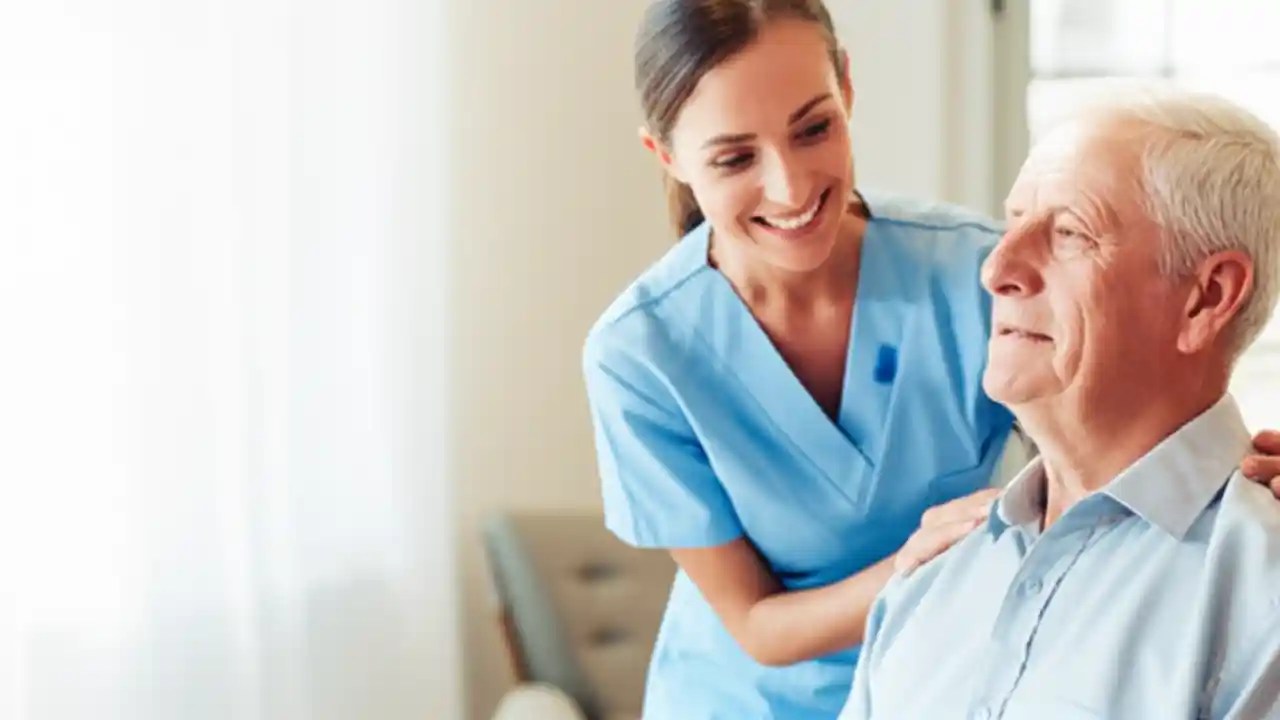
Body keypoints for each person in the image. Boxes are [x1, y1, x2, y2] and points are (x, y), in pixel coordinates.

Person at [581, 1, 1280, 717]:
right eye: (734, 157)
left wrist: (1231, 465)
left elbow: (1125, 400)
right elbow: (756, 625)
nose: (790, 188)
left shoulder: (971, 270)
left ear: (847, 88)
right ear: (667, 156)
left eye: (814, 128)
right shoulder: (641, 353)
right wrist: (915, 570)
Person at [839, 89, 1280, 720]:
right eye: (1012, 223)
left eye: (1070, 233)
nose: (998, 268)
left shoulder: (1262, 594)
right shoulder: (933, 572)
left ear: (1206, 299)